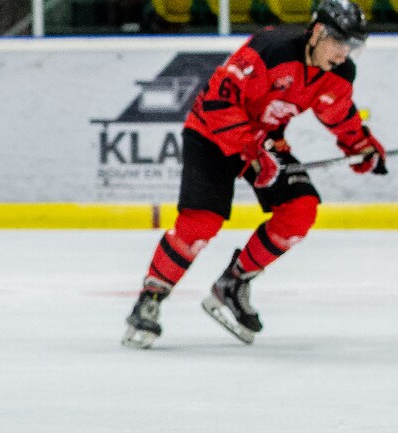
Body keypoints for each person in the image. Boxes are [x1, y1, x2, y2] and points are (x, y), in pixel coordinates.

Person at [122, 0, 386, 349]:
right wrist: (254, 155)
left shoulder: (338, 72)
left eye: (353, 46)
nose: (345, 54)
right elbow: (219, 101)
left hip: (263, 141)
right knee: (200, 223)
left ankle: (233, 282)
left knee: (300, 209)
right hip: (211, 134)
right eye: (341, 43)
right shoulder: (271, 49)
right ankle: (150, 300)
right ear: (319, 32)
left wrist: (361, 148)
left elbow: (337, 113)